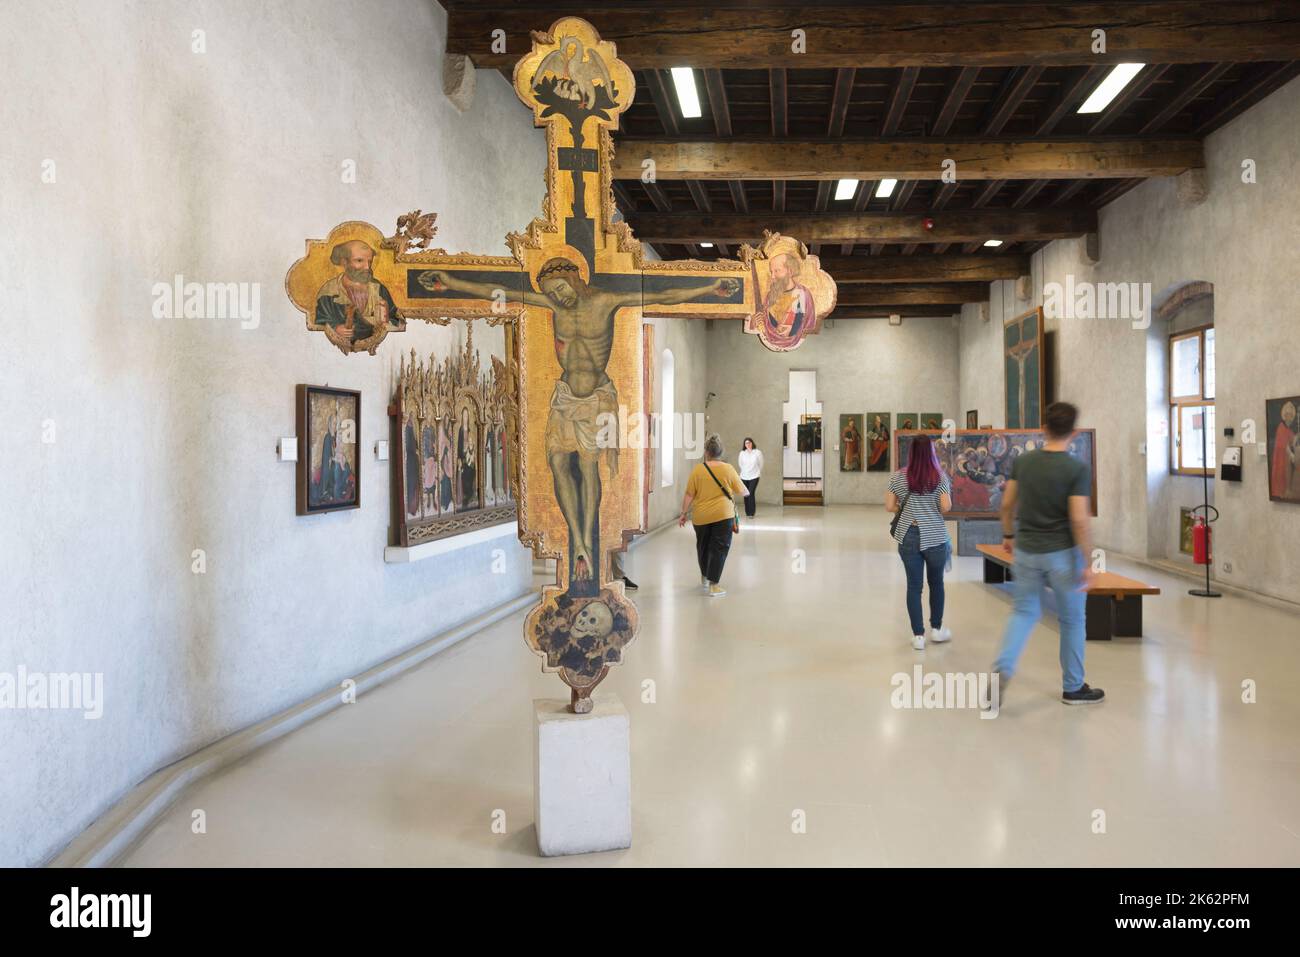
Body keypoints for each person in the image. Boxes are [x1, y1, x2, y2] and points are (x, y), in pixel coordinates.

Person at [991, 401, 1104, 705]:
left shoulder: (1024, 462)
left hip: (1026, 550)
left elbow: (1006, 505)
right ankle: (1073, 687)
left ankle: (1003, 666)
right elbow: (1079, 519)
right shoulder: (1076, 469)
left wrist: (1008, 534)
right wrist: (1089, 561)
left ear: (1044, 429)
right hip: (1063, 555)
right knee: (1071, 620)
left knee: (1024, 611)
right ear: (1074, 432)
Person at [885, 434, 952, 650]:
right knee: (936, 583)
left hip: (908, 534)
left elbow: (889, 506)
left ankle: (918, 636)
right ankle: (937, 630)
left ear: (911, 452)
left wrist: (907, 509)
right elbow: (945, 507)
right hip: (935, 536)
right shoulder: (939, 476)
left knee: (914, 586)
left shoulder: (898, 477)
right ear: (931, 452)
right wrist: (930, 508)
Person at [678, 434, 747, 598]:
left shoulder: (698, 469)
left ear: (706, 452)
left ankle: (704, 577)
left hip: (700, 517)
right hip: (723, 516)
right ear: (720, 452)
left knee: (703, 546)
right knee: (719, 548)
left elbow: (689, 494)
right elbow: (743, 491)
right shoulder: (728, 469)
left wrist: (683, 514)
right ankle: (714, 585)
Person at [737, 437, 763, 517]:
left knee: (751, 493)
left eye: (749, 442)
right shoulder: (742, 453)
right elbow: (740, 464)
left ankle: (751, 513)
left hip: (754, 476)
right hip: (744, 476)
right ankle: (747, 512)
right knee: (746, 494)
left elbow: (761, 464)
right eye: (746, 443)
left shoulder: (757, 452)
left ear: (752, 443)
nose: (748, 444)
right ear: (744, 445)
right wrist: (745, 471)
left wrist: (757, 471)